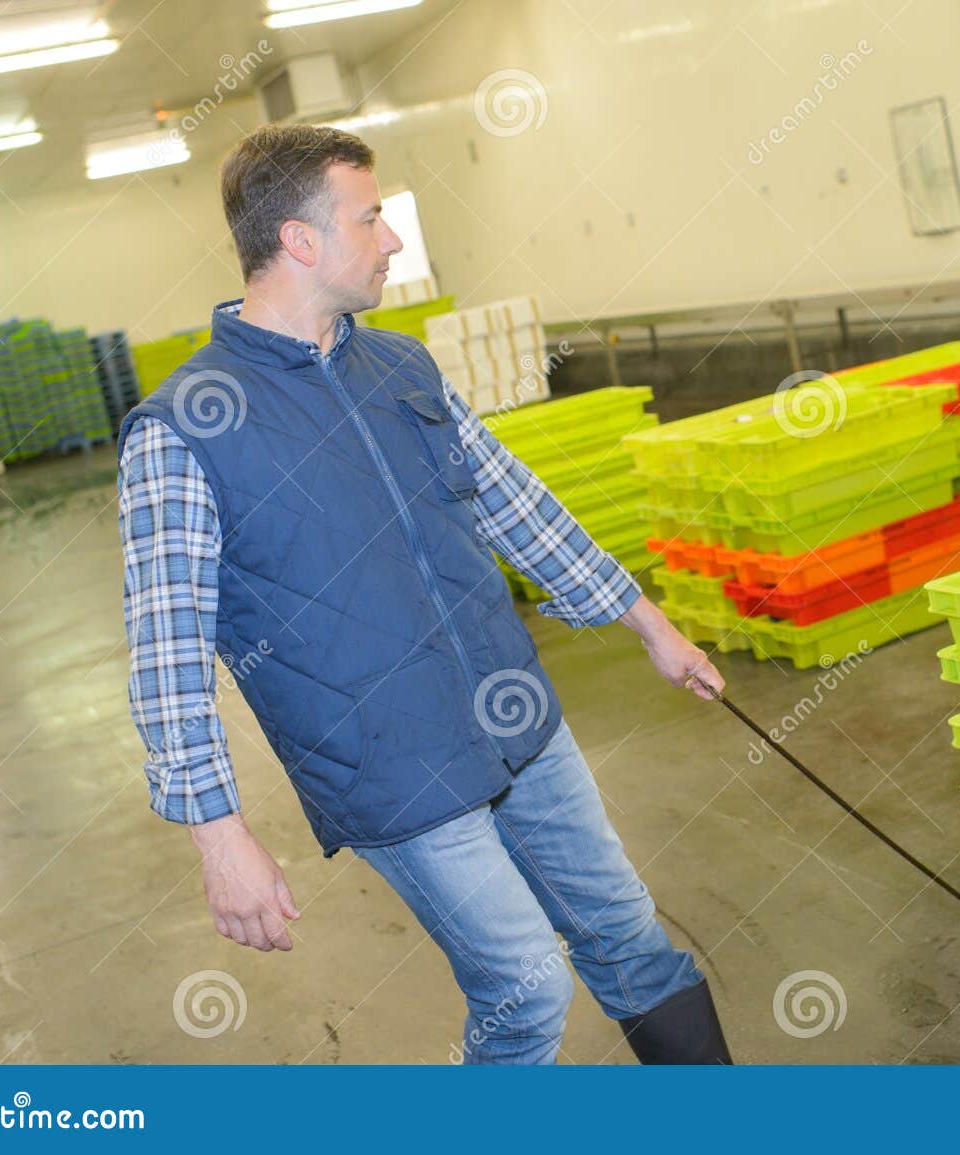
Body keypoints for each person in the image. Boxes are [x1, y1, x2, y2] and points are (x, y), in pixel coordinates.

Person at [116, 124, 731, 1065]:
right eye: (373, 219)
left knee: (632, 942)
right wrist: (218, 836)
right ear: (301, 240)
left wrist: (649, 625)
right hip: (390, 767)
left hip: (515, 716)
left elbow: (516, 504)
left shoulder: (402, 366)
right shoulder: (185, 427)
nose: (394, 241)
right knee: (526, 993)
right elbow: (167, 658)